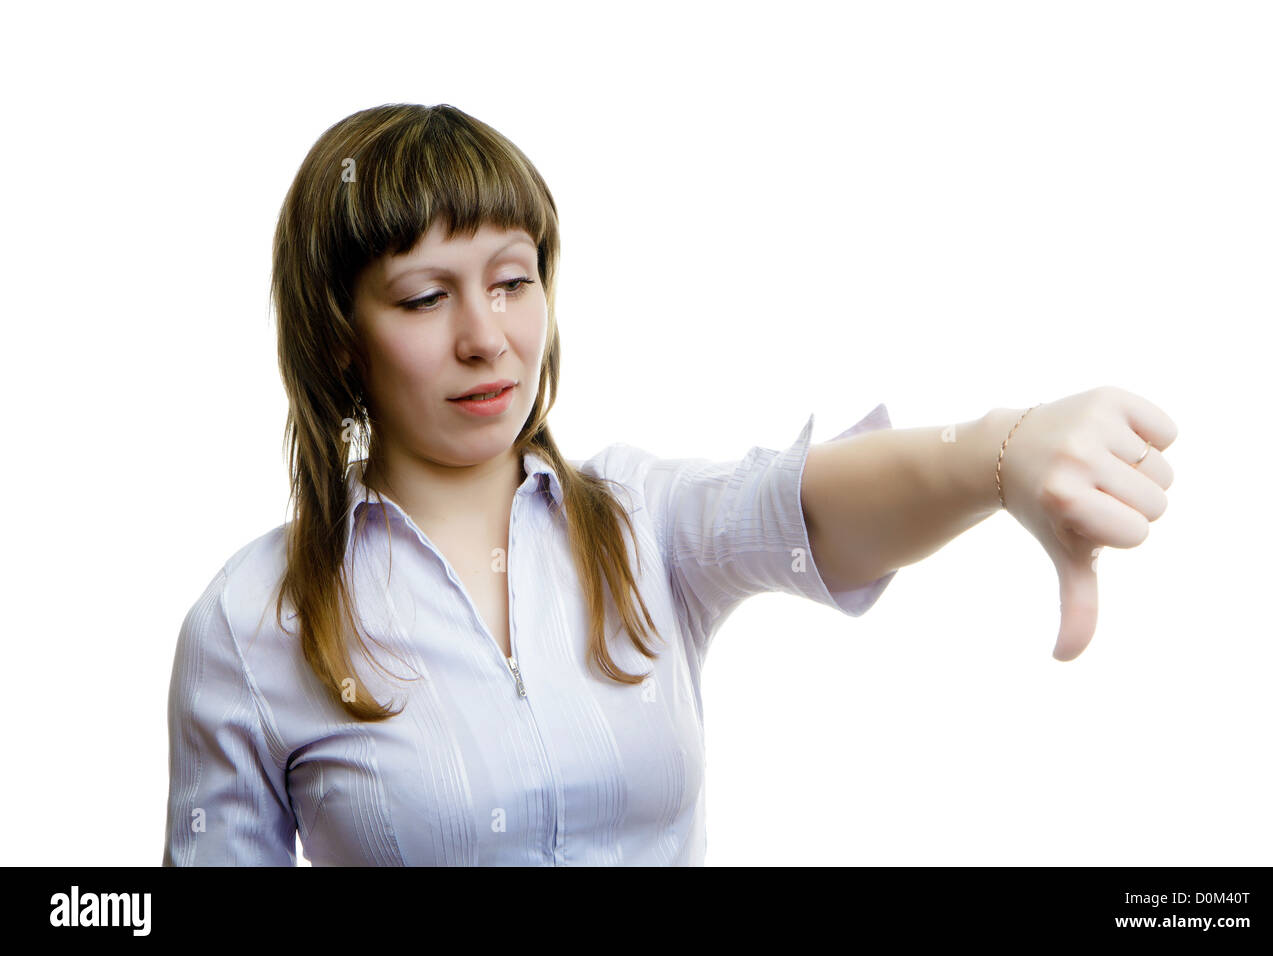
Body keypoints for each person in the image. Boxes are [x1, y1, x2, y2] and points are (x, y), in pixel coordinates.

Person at [163, 103, 1177, 866]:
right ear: (341, 341)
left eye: (514, 281)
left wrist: (998, 453)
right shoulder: (251, 624)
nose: (487, 336)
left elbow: (805, 503)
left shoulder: (640, 520)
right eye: (426, 297)